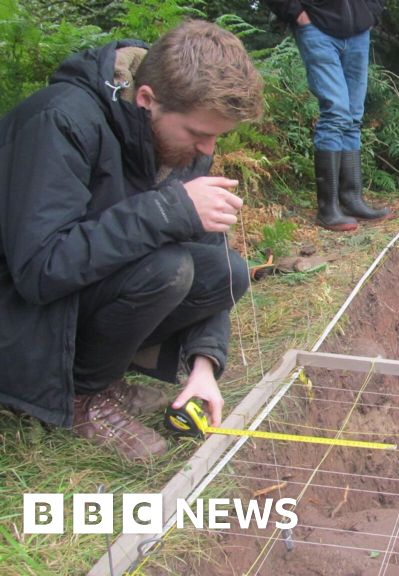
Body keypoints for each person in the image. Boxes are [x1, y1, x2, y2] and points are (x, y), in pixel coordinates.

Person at [0, 20, 264, 461]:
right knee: (167, 270)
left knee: (227, 271)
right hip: (21, 317)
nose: (207, 149)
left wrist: (205, 364)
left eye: (217, 137)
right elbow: (39, 269)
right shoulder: (60, 120)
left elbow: (210, 253)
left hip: (79, 297)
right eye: (200, 134)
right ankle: (80, 396)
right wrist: (170, 210)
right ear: (146, 100)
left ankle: (105, 378)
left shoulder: (175, 142)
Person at [265, 0, 389, 232]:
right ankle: (328, 208)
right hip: (316, 26)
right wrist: (296, 13)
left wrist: (371, 13)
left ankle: (352, 199)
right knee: (336, 112)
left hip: (359, 31)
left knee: (353, 116)